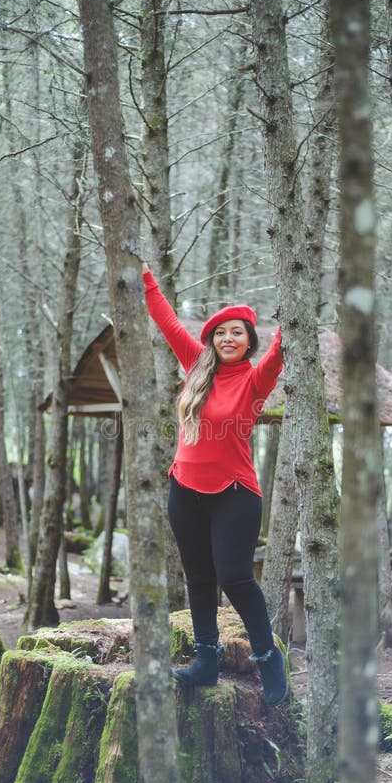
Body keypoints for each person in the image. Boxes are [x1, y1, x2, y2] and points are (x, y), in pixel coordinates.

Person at [141, 262, 288, 707]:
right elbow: (165, 318)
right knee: (200, 577)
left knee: (235, 577)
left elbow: (285, 343)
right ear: (210, 339)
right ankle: (206, 659)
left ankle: (268, 660)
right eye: (221, 332)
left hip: (235, 494)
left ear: (250, 341)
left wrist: (297, 289)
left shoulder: (256, 378)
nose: (228, 338)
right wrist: (145, 275)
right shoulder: (194, 366)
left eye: (237, 333)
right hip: (184, 490)